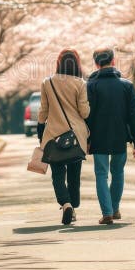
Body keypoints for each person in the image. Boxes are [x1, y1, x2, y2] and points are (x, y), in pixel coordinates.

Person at [86, 47, 135, 225]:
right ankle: (114, 208)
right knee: (118, 172)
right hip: (120, 137)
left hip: (98, 137)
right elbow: (134, 114)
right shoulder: (126, 85)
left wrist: (87, 139)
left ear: (96, 63)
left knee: (101, 174)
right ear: (113, 61)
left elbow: (87, 115)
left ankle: (107, 212)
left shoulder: (91, 85)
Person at [37, 49, 90, 225]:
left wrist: (40, 131)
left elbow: (43, 111)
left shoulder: (47, 83)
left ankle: (66, 204)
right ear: (77, 63)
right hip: (76, 136)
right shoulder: (80, 83)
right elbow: (84, 112)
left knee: (58, 175)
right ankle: (73, 206)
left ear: (58, 63)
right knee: (74, 176)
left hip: (54, 134)